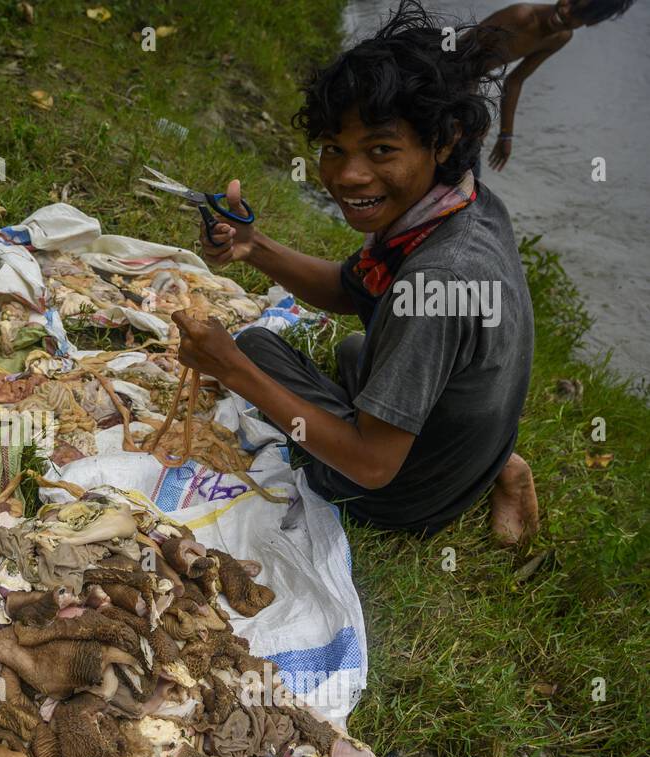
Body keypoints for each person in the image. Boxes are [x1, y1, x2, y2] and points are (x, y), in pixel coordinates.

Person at [172, 0, 539, 545]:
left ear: (444, 140)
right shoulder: (459, 204)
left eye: (381, 149)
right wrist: (253, 246)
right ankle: (495, 462)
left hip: (395, 495)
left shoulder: (436, 281)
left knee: (253, 347)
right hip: (462, 442)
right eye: (333, 150)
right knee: (352, 349)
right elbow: (350, 289)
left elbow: (371, 467)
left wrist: (231, 370)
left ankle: (472, 475)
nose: (349, 176)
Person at [474, 0, 638, 170]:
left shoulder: (560, 37)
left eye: (576, 13)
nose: (566, 10)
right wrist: (473, 113)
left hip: (466, 95)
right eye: (571, 0)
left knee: (469, 177)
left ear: (591, 22)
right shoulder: (521, 16)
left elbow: (515, 81)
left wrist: (506, 135)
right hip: (451, 85)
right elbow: (459, 55)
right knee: (465, 172)